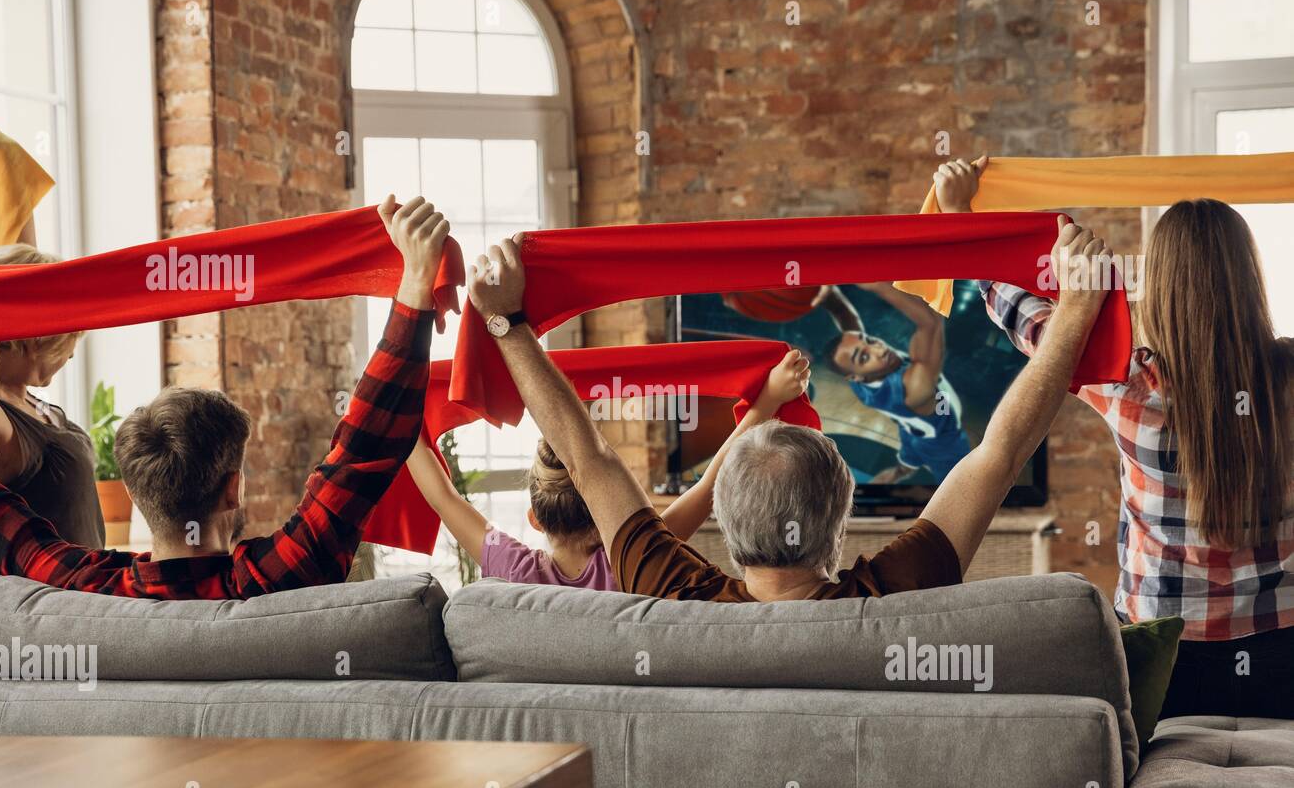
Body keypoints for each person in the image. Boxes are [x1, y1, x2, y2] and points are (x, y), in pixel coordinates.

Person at [461, 222, 1112, 603]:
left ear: (725, 514)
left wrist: (506, 320)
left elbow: (586, 457)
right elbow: (998, 455)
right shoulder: (895, 596)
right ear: (837, 520)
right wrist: (1078, 309)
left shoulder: (665, 588)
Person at [937, 155, 1294, 719]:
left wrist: (960, 214)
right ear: (1252, 279)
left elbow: (1020, 312)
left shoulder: (1123, 381)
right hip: (1282, 651)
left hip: (1163, 655)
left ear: (1161, 284)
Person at [0, 196, 454, 598]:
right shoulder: (276, 579)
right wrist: (414, 285)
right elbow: (362, 455)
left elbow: (14, 529)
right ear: (233, 489)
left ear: (132, 495)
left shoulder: (86, 593)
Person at [405, 350, 811, 590]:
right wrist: (770, 398)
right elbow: (708, 487)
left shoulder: (514, 569)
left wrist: (389, 400)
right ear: (603, 511)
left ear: (536, 519)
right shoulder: (636, 562)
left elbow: (443, 496)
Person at [0, 246, 102, 547]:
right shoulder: (3, 422)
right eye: (70, 338)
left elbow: (26, 260)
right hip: (51, 592)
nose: (70, 355)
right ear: (37, 335)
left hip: (86, 587)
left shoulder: (30, 403)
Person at [814, 282, 971, 482]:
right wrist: (879, 285)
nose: (879, 350)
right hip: (944, 444)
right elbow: (931, 323)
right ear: (856, 376)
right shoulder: (912, 387)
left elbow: (849, 324)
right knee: (960, 485)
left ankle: (860, 500)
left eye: (870, 340)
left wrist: (831, 297)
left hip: (911, 435)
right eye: (864, 357)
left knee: (900, 471)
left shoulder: (861, 383)